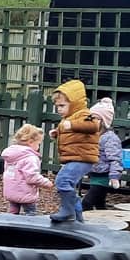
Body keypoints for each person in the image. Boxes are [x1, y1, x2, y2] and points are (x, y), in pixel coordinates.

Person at [47, 79, 101, 223]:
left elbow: (93, 126)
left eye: (62, 106)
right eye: (57, 106)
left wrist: (71, 125)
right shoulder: (69, 117)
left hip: (83, 158)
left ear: (75, 103)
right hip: (76, 157)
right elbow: (72, 134)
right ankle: (77, 218)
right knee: (68, 185)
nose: (59, 109)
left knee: (62, 180)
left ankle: (68, 211)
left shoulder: (85, 114)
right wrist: (57, 133)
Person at [81, 97, 123, 211]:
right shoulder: (92, 135)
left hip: (103, 177)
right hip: (94, 175)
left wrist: (114, 177)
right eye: (91, 118)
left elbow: (115, 158)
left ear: (104, 122)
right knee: (99, 203)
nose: (92, 121)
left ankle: (82, 219)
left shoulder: (110, 138)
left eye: (96, 118)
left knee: (87, 203)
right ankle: (102, 219)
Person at [1, 124, 53, 215]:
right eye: (38, 144)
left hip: (11, 191)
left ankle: (10, 222)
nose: (38, 147)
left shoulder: (11, 155)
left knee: (12, 213)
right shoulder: (30, 158)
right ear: (30, 142)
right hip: (25, 192)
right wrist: (46, 183)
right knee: (30, 214)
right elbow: (32, 177)